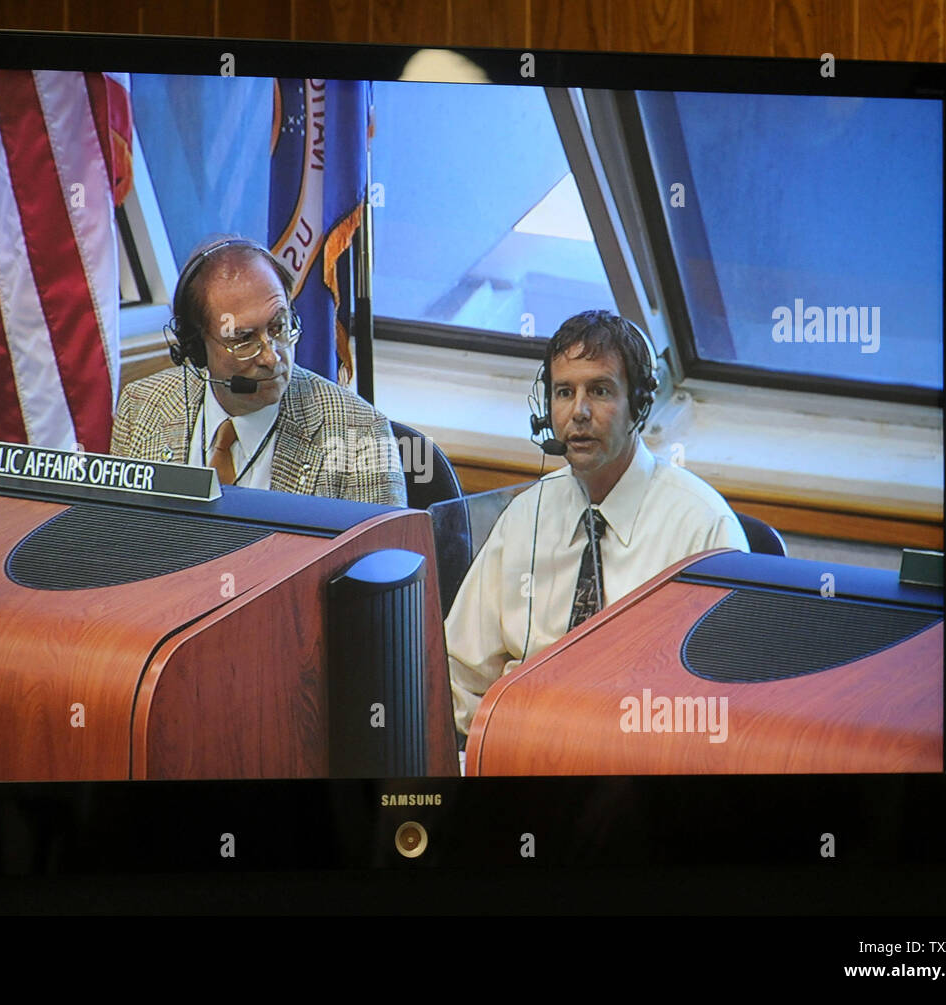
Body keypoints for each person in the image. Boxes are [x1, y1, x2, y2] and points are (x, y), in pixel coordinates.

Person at [445, 310, 749, 737]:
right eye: (564, 392)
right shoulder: (525, 517)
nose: (579, 412)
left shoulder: (703, 529)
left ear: (638, 406)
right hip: (520, 752)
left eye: (600, 391)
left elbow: (724, 702)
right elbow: (459, 672)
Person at [111, 237, 406, 506]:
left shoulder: (359, 434)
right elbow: (117, 540)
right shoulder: (141, 406)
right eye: (242, 339)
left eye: (278, 327)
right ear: (196, 347)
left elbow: (379, 560)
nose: (271, 356)